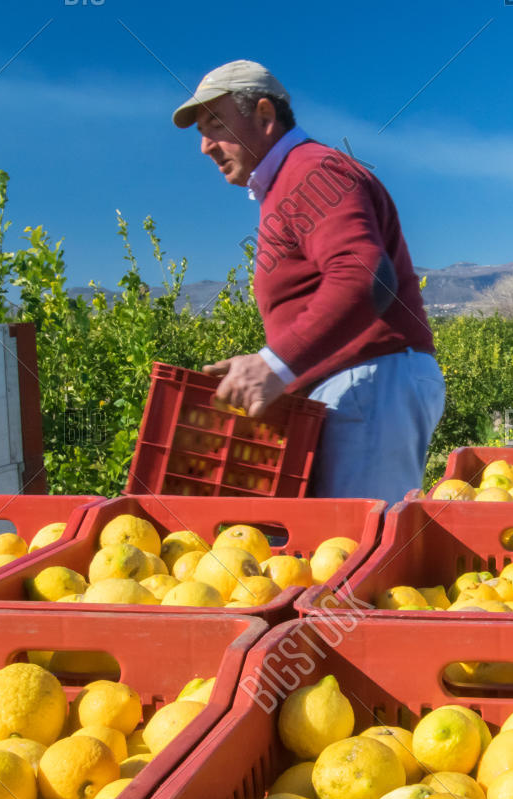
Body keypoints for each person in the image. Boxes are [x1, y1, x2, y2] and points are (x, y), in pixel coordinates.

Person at [173, 60, 444, 503]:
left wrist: (274, 364)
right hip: (359, 388)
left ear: (264, 115)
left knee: (359, 557)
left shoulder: (311, 172)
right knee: (339, 552)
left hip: (368, 382)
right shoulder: (287, 183)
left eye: (216, 124)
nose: (205, 146)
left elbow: (365, 275)